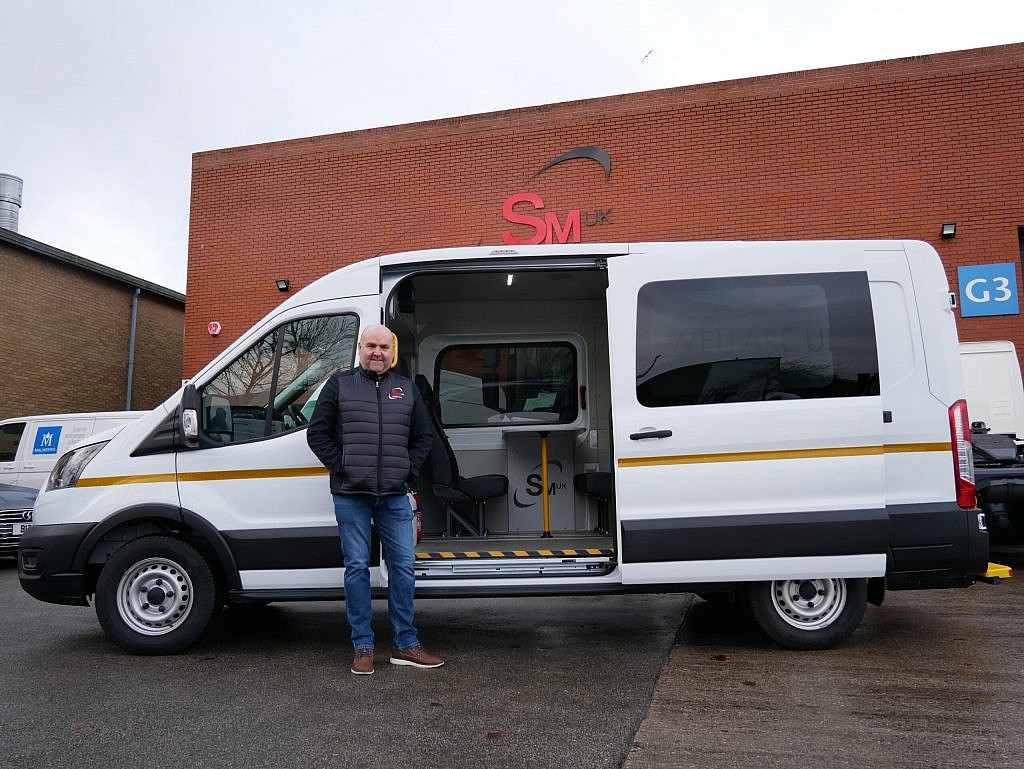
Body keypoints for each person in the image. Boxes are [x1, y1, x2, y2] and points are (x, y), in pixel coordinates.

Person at [306, 323, 442, 675]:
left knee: (404, 570)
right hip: (351, 494)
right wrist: (342, 465)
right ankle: (363, 647)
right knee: (356, 570)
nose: (377, 352)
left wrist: (407, 471)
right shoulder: (339, 385)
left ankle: (406, 645)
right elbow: (317, 433)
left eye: (383, 347)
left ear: (392, 352)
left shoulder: (406, 389)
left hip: (395, 495)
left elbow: (423, 438)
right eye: (370, 346)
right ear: (360, 349)